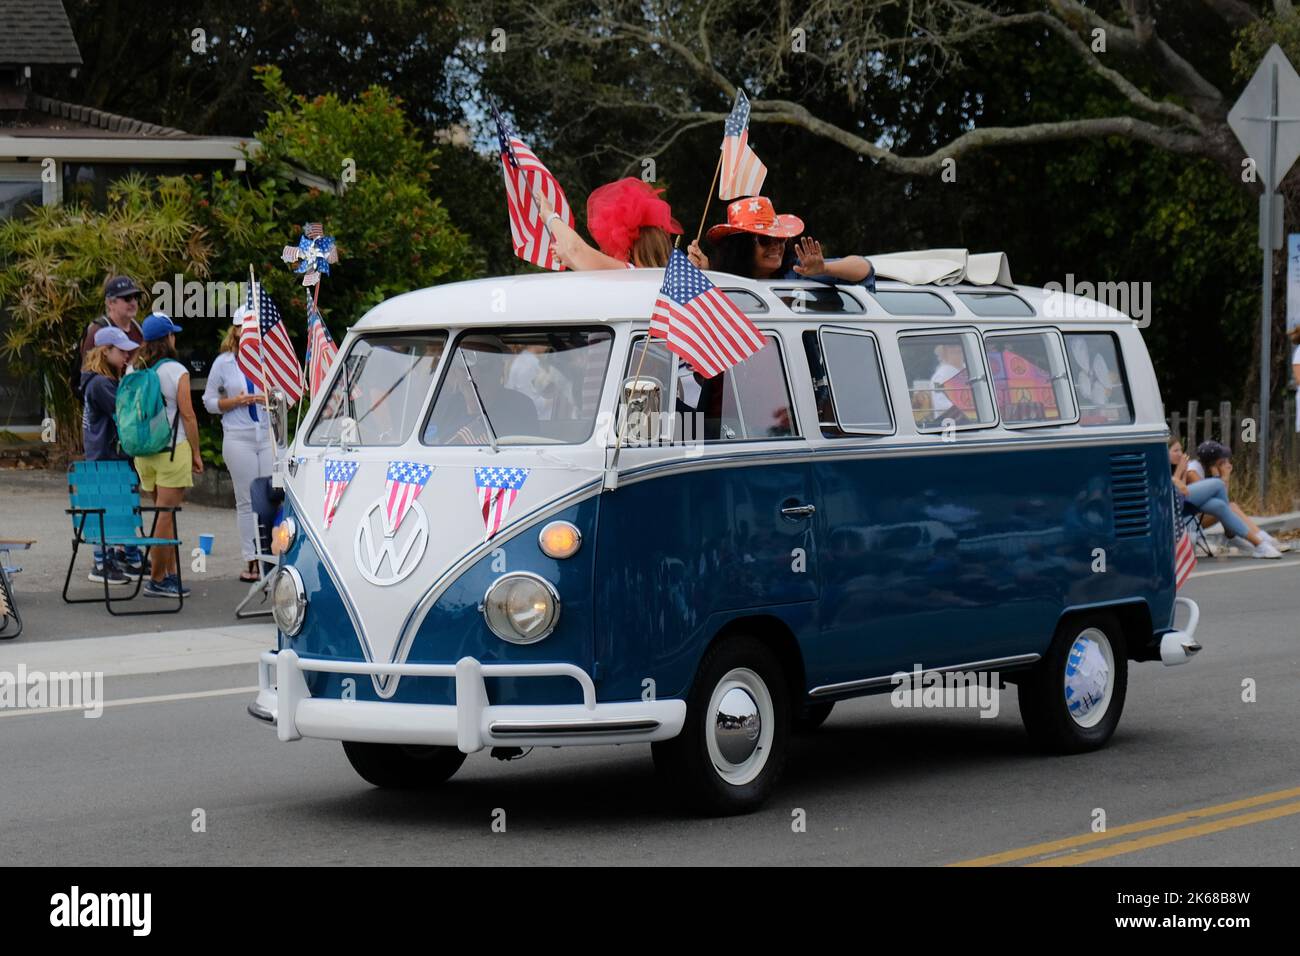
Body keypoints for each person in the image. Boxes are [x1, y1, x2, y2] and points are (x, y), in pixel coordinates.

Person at [132, 314, 202, 597]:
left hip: (144, 453)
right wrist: (196, 452)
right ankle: (158, 579)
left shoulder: (134, 369)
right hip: (173, 450)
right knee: (165, 515)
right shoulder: (176, 370)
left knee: (165, 516)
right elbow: (188, 414)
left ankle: (169, 575)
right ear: (168, 339)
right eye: (173, 334)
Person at [203, 306, 271, 582]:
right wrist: (235, 402)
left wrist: (269, 398)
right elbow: (209, 402)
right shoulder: (225, 363)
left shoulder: (270, 358)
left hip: (267, 434)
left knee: (272, 498)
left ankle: (272, 555)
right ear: (237, 331)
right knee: (246, 501)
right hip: (238, 435)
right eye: (245, 328)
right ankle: (251, 559)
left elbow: (287, 394)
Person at [688, 196, 875, 288]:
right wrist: (707, 274)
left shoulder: (799, 272)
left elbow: (864, 268)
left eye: (780, 238)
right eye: (765, 239)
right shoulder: (726, 284)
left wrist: (824, 269)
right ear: (741, 247)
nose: (776, 246)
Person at [79, 326, 144, 584]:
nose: (127, 356)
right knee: (109, 509)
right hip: (106, 456)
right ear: (105, 351)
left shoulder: (97, 381)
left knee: (112, 509)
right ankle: (101, 562)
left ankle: (116, 557)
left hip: (103, 454)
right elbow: (125, 414)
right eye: (121, 351)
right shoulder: (101, 384)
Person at [1169, 439, 1281, 559]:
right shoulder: (1168, 468)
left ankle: (1260, 545)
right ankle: (1232, 532)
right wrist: (1222, 477)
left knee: (1220, 506)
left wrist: (1182, 473)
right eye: (1176, 450)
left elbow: (1182, 491)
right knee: (1219, 485)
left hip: (1182, 505)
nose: (1181, 454)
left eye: (1181, 450)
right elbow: (1178, 492)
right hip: (1170, 507)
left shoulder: (1181, 467)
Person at [539, 178, 682, 270]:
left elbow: (576, 250)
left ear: (630, 249)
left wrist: (549, 215)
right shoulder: (674, 280)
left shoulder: (632, 275)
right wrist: (569, 260)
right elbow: (587, 263)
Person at [78, 275, 145, 374]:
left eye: (136, 297)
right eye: (127, 298)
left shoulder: (140, 329)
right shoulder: (98, 331)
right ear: (110, 303)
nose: (133, 303)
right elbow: (87, 372)